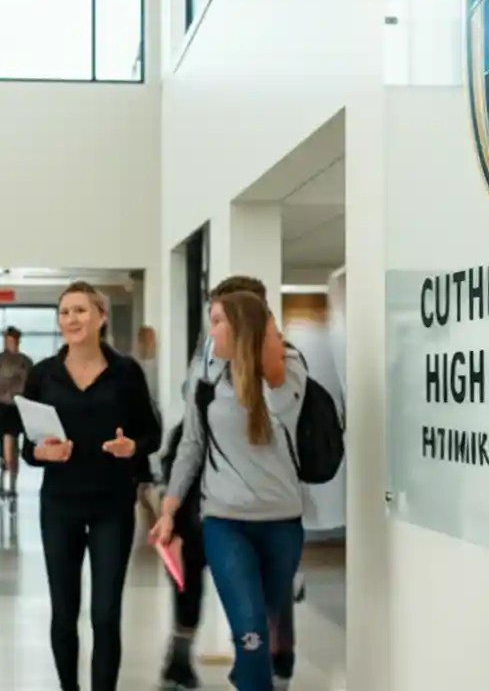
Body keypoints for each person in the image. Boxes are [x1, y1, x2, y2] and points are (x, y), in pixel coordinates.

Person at [151, 290, 307, 691]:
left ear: (242, 326)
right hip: (224, 521)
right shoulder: (206, 373)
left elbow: (282, 410)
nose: (211, 330)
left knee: (270, 628)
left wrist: (262, 347)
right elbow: (191, 444)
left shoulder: (287, 366)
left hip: (281, 521)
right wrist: (168, 509)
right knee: (249, 628)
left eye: (218, 320)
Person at [20, 280, 162, 691]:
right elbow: (29, 443)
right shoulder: (43, 374)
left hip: (112, 506)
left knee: (104, 614)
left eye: (81, 310)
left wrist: (131, 447)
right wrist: (41, 454)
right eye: (65, 312)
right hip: (59, 505)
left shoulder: (126, 372)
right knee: (64, 612)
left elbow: (150, 434)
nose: (72, 319)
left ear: (101, 317)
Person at [0, 326, 34, 500]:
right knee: (3, 447)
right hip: (0, 406)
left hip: (17, 407)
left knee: (11, 446)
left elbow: (33, 386)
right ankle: (6, 479)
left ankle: (11, 483)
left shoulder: (25, 361)